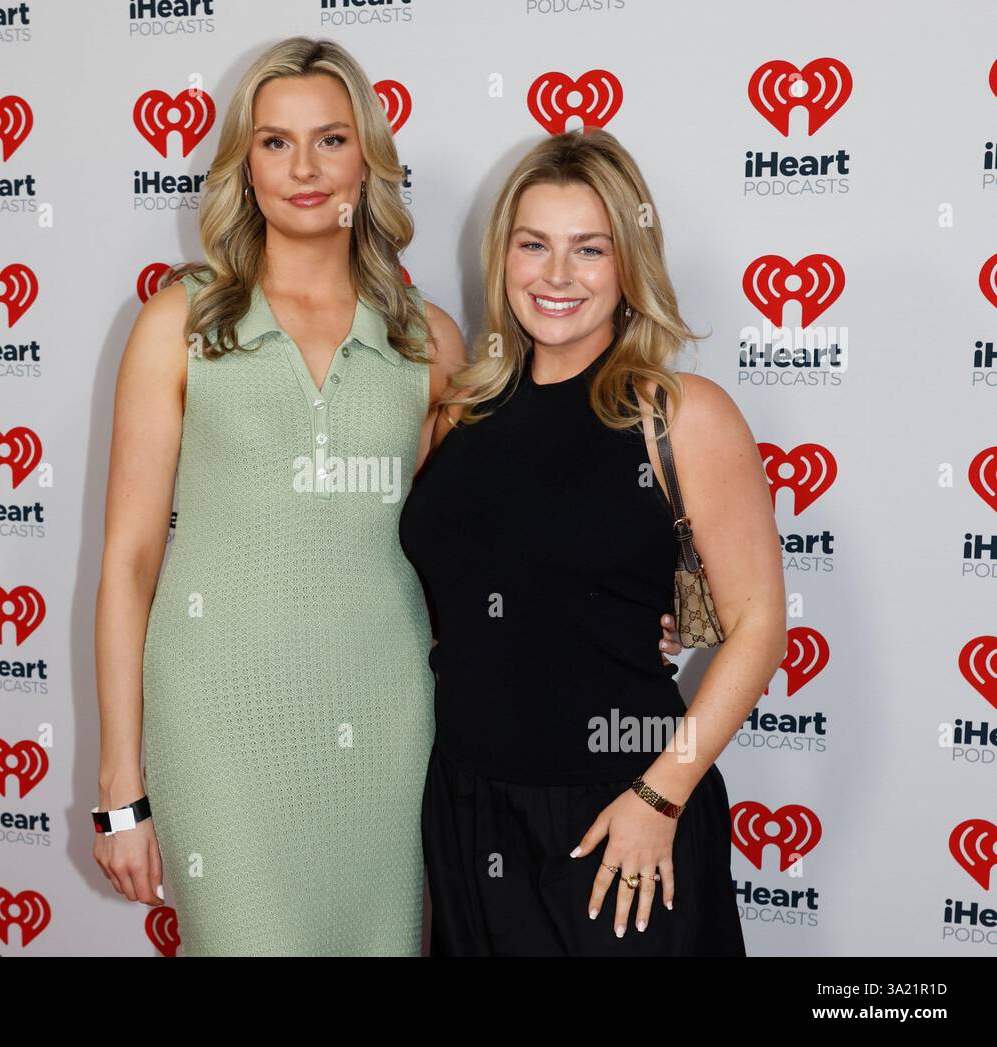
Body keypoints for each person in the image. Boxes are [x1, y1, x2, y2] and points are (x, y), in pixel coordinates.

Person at [92, 38, 682, 956]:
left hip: (391, 725)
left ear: (367, 161)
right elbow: (129, 561)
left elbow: (503, 526)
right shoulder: (181, 323)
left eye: (330, 140)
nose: (303, 168)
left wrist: (636, 616)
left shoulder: (431, 340)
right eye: (275, 142)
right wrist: (120, 786)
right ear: (243, 165)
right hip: (218, 725)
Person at [399, 127, 788, 956]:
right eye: (534, 244)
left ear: (630, 266)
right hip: (470, 805)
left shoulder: (678, 412)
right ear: (502, 256)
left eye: (590, 249)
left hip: (623, 804)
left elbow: (758, 624)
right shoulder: (458, 412)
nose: (557, 275)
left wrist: (662, 794)